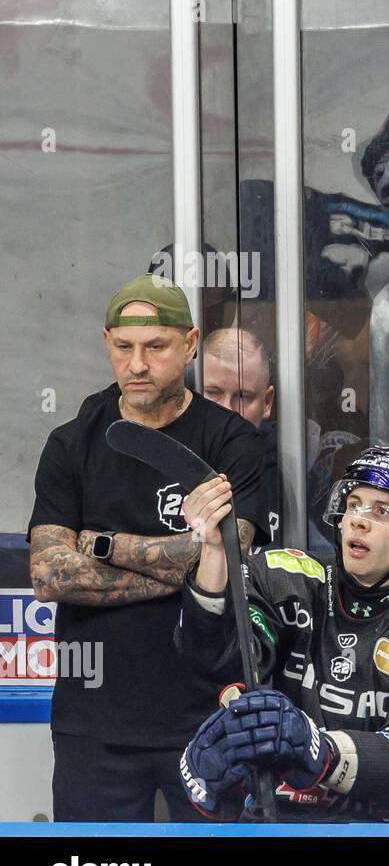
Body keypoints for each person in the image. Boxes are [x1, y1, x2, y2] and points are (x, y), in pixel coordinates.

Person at [27, 275, 266, 822]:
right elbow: (50, 575)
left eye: (155, 347)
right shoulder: (72, 441)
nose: (137, 364)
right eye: (124, 347)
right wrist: (187, 557)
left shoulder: (231, 441)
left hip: (209, 714)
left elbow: (234, 559)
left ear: (188, 345)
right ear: (107, 343)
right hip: (95, 722)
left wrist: (104, 546)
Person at [175, 447, 389, 822]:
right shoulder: (285, 575)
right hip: (290, 819)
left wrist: (317, 750)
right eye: (354, 504)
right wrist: (214, 550)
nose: (358, 520)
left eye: (382, 511)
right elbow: (216, 660)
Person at [201, 327, 281, 548]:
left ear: (267, 402)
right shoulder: (169, 463)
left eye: (243, 396)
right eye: (213, 393)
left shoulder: (291, 477)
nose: (228, 410)